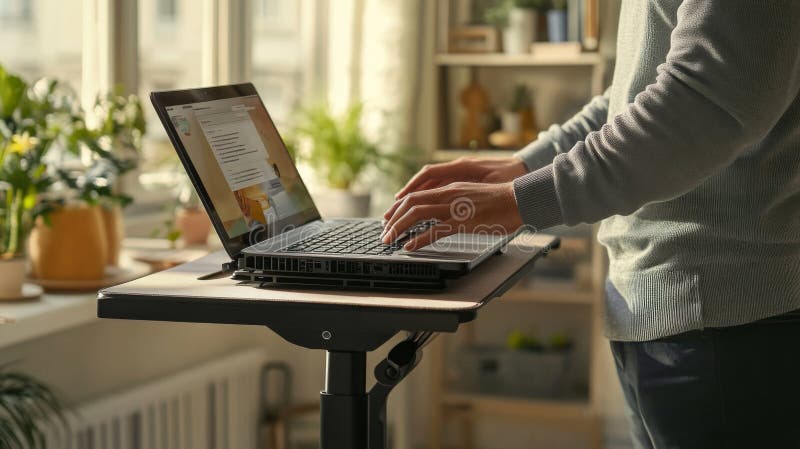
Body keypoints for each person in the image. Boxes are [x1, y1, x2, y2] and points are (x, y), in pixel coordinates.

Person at [382, 1, 800, 448]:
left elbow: (703, 101)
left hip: (730, 319)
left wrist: (522, 201)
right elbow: (631, 94)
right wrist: (521, 168)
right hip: (670, 312)